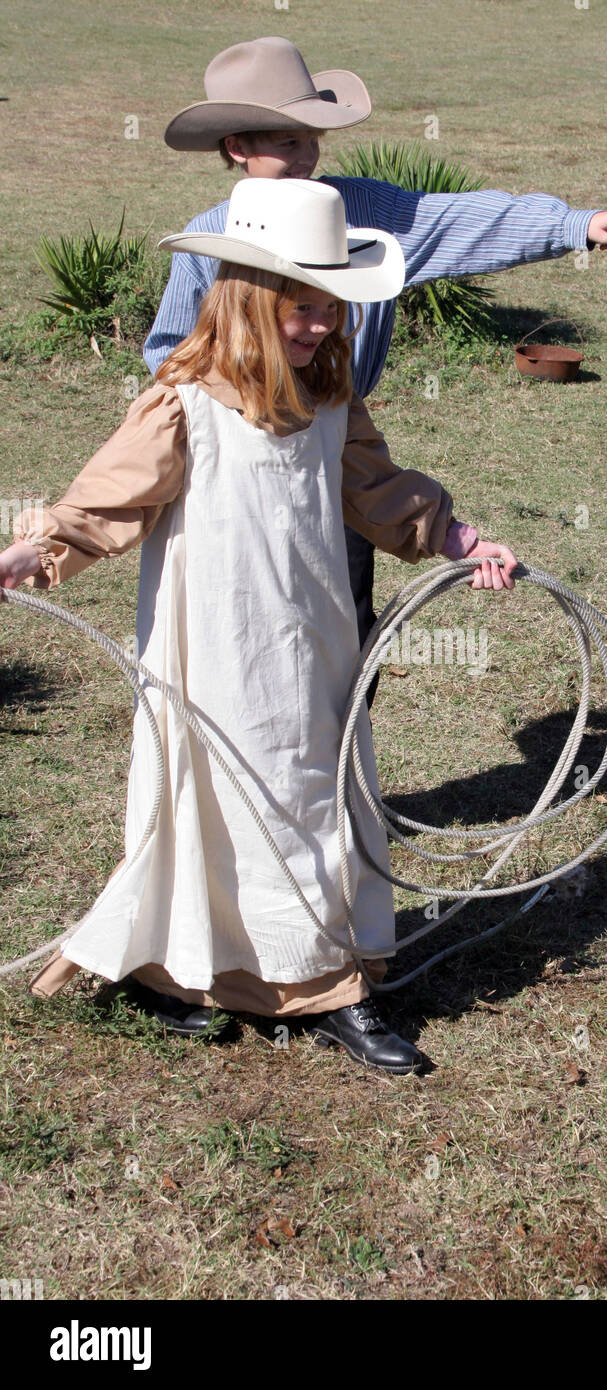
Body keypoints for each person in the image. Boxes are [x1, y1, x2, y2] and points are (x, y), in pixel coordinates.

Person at [0, 178, 518, 1075]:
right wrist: (34, 554)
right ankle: (251, 979)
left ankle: (292, 968)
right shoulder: (184, 401)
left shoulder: (329, 398)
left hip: (314, 635)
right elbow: (104, 501)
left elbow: (378, 489)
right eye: (302, 308)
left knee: (312, 784)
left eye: (331, 308)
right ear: (246, 300)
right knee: (227, 795)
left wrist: (462, 541)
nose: (321, 325)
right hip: (216, 642)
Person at [144, 36, 607, 683]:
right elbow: (169, 356)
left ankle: (343, 777)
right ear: (237, 147)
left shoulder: (359, 211)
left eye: (310, 138)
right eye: (284, 141)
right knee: (249, 634)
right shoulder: (208, 241)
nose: (304, 156)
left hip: (341, 456)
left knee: (343, 633)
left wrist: (570, 225)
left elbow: (461, 222)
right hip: (239, 476)